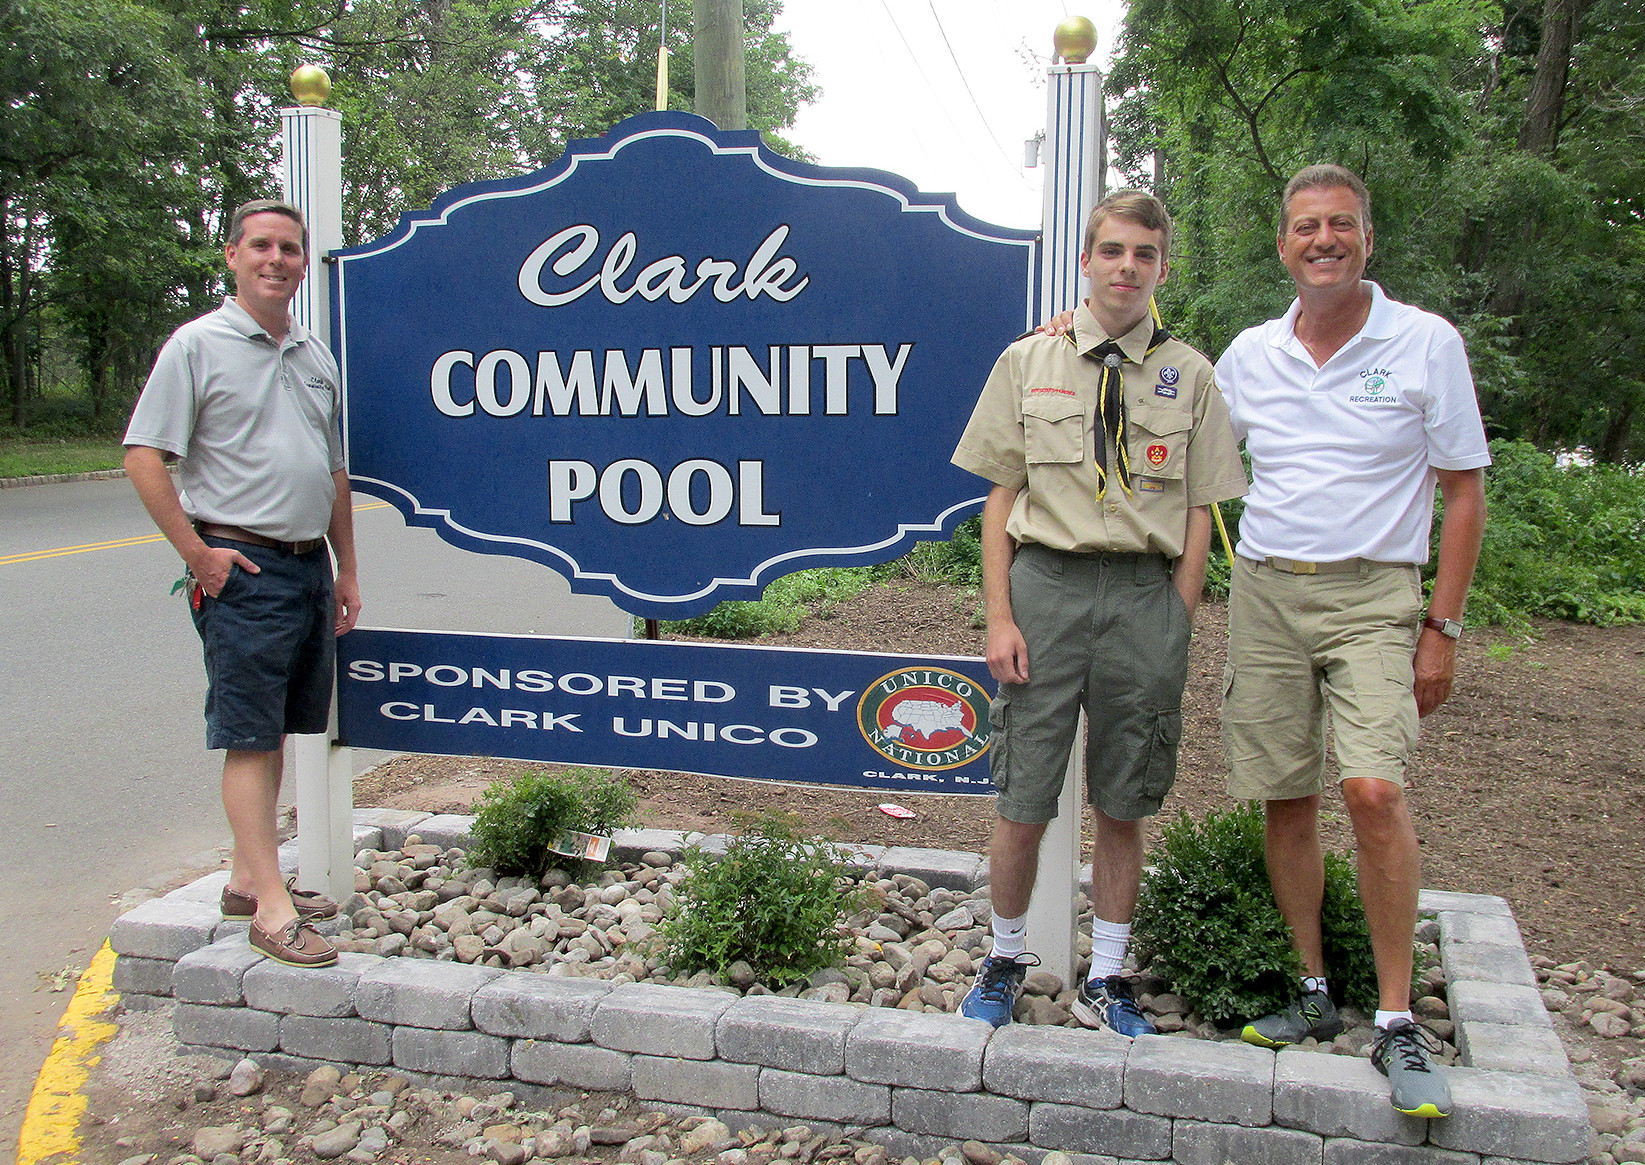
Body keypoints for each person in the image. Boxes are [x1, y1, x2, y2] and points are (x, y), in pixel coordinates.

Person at [1218, 164, 1489, 1119]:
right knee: (1284, 794)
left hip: (1376, 593)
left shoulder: (1423, 343)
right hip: (1263, 591)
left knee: (1371, 789)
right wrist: (1064, 332)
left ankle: (1393, 1017)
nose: (1321, 239)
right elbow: (1176, 423)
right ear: (1283, 244)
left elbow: (1462, 489)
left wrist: (1440, 628)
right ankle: (1310, 989)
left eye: (1340, 224)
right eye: (1304, 227)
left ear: (1366, 239)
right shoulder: (1250, 353)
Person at [950, 190, 1248, 1033]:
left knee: (1124, 799)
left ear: (1160, 266)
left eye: (1144, 253)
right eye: (1112, 250)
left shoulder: (1188, 374)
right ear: (1086, 259)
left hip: (1143, 599)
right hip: (1047, 590)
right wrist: (999, 617)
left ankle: (1107, 975)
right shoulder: (1027, 361)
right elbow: (999, 499)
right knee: (1023, 795)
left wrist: (1177, 615)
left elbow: (1199, 506)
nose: (1126, 266)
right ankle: (1005, 956)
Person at [124, 198, 361, 969]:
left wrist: (346, 566)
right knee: (250, 739)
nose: (277, 260)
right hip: (243, 566)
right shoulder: (196, 346)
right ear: (231, 256)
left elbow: (332, 472)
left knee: (283, 726)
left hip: (306, 566)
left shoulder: (313, 354)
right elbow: (143, 456)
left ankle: (244, 876)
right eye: (261, 246)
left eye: (290, 248)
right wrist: (199, 555)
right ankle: (271, 910)